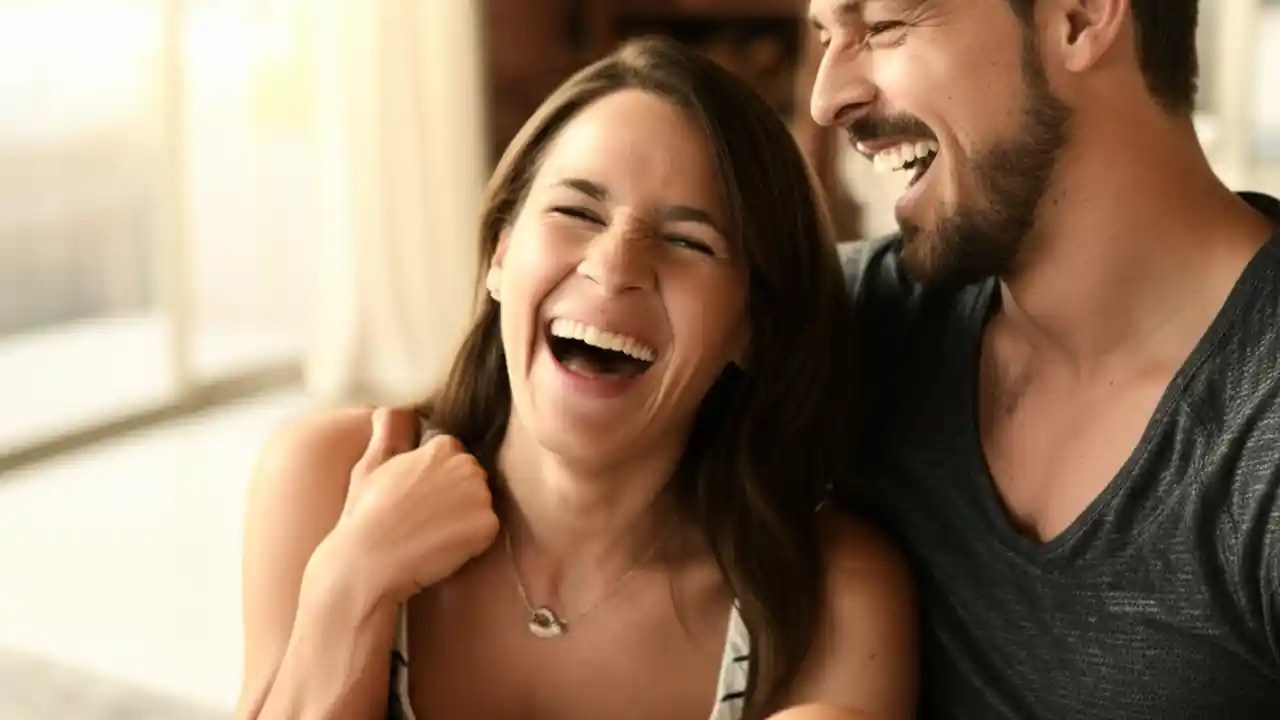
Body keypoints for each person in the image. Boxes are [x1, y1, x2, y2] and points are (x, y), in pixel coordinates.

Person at [235, 37, 916, 720]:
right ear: (502, 254)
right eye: (577, 212)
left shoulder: (834, 597)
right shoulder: (327, 482)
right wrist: (350, 584)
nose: (615, 264)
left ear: (755, 327)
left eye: (689, 242)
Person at [806, 0, 1280, 716]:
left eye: (883, 26)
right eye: (825, 37)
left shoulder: (1260, 437)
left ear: (1081, 18)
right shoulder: (856, 326)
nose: (825, 98)